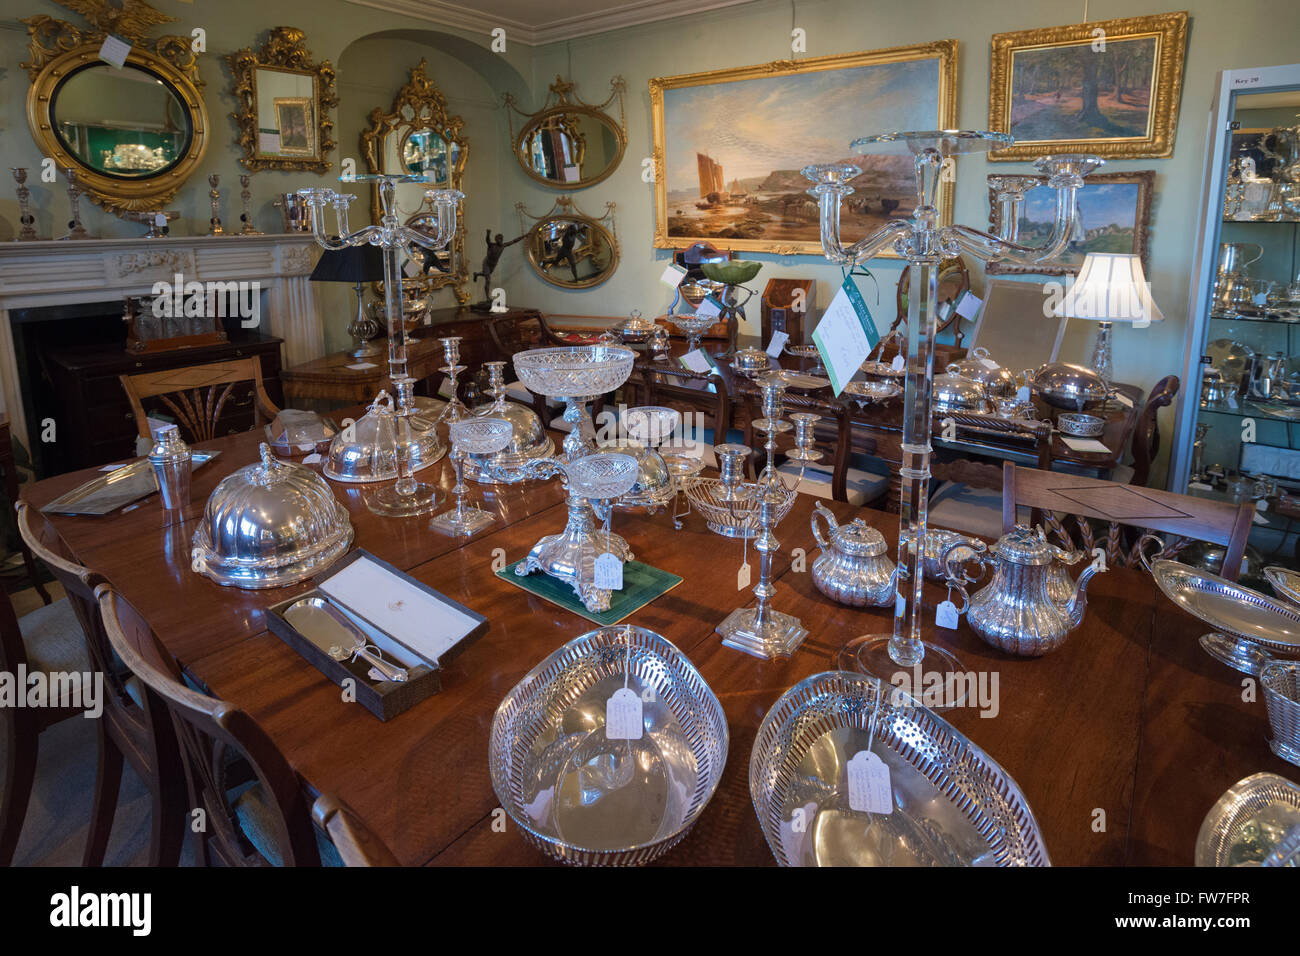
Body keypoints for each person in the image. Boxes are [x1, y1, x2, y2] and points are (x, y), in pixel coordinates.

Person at [473, 229, 524, 305]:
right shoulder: (492, 245)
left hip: (493, 264)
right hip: (486, 263)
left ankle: (476, 274)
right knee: (488, 280)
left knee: (485, 274)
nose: (501, 241)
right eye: (499, 239)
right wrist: (488, 234)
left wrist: (524, 236)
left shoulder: (503, 246)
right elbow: (487, 241)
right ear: (496, 240)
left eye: (501, 239)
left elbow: (514, 241)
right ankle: (487, 298)